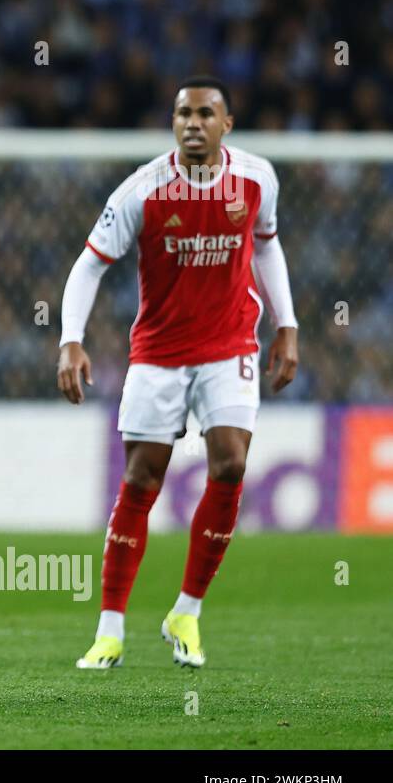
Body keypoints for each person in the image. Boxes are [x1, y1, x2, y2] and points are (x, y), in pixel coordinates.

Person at [57, 76, 299, 670]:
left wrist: (287, 324)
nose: (193, 123)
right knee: (142, 480)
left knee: (233, 463)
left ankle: (186, 610)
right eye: (183, 114)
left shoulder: (257, 178)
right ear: (173, 124)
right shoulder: (143, 190)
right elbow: (89, 266)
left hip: (230, 343)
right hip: (159, 353)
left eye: (205, 114)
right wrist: (70, 341)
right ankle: (110, 629)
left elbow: (265, 245)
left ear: (226, 124)